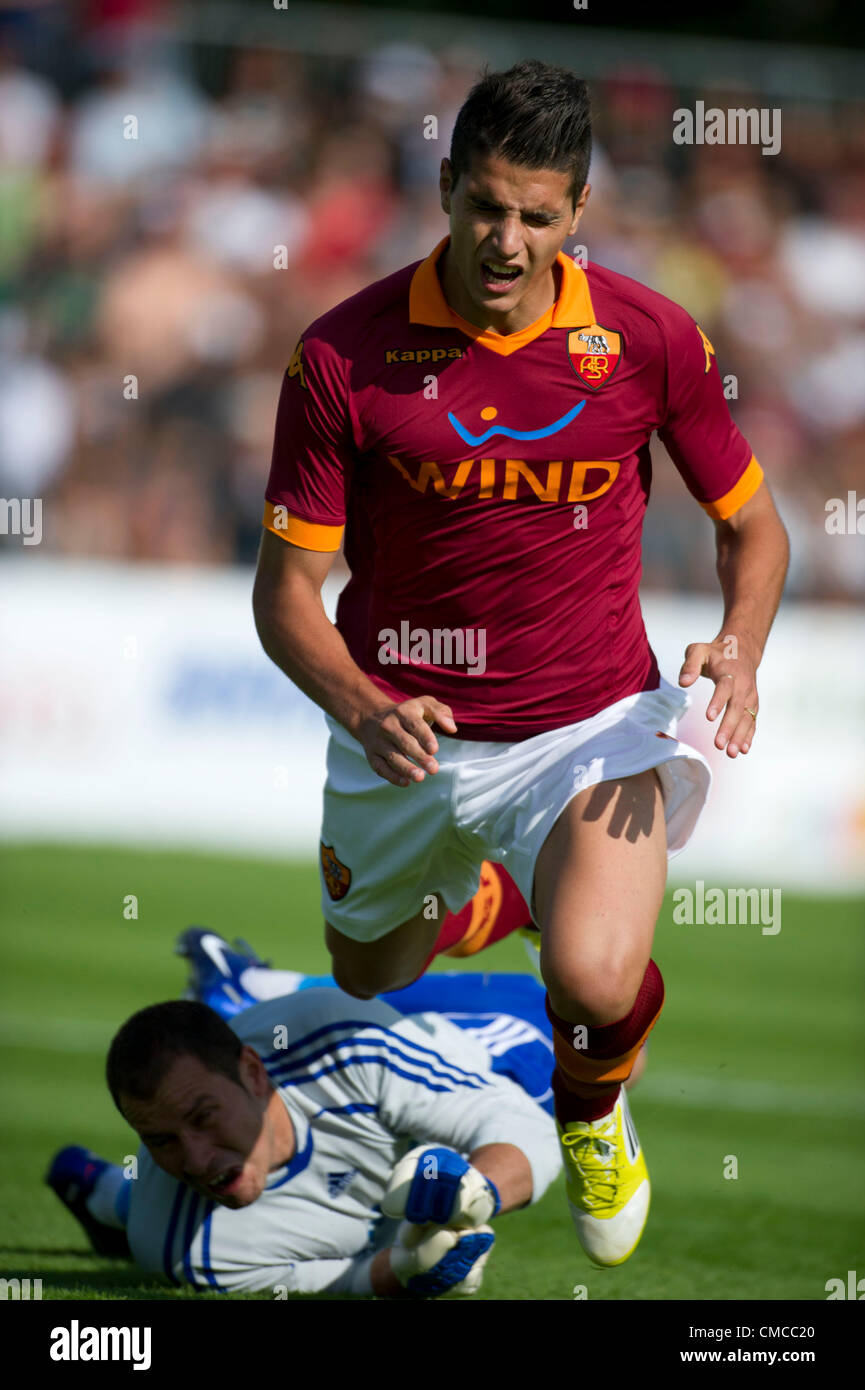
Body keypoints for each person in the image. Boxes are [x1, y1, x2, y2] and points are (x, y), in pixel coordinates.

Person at [251, 59, 790, 1267]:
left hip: (588, 724)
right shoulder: (342, 357)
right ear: (442, 187)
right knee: (369, 970)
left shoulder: (647, 340)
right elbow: (285, 592)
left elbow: (754, 525)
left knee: (594, 979)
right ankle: (497, 892)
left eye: (536, 215)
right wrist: (361, 700)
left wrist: (740, 649)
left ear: (578, 212)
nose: (505, 239)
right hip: (407, 733)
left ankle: (592, 1105)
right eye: (484, 205)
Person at [45, 929, 563, 1298]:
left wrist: (476, 1191)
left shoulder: (338, 1043)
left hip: (432, 1043)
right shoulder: (179, 1248)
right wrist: (408, 1270)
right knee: (157, 1207)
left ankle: (255, 990)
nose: (196, 1158)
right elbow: (347, 1283)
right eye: (160, 1141)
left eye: (204, 1117)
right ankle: (98, 1187)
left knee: (583, 1037)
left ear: (252, 1074)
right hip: (180, 1189)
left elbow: (523, 1128)